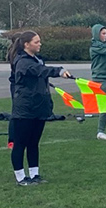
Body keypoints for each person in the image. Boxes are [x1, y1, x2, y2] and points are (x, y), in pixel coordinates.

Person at [7, 31, 73, 186]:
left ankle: (34, 174)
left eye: (39, 41)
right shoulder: (23, 61)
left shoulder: (37, 60)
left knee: (33, 143)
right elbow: (40, 71)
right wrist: (59, 71)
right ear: (26, 44)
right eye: (36, 42)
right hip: (25, 109)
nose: (39, 44)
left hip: (38, 108)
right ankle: (21, 177)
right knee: (20, 143)